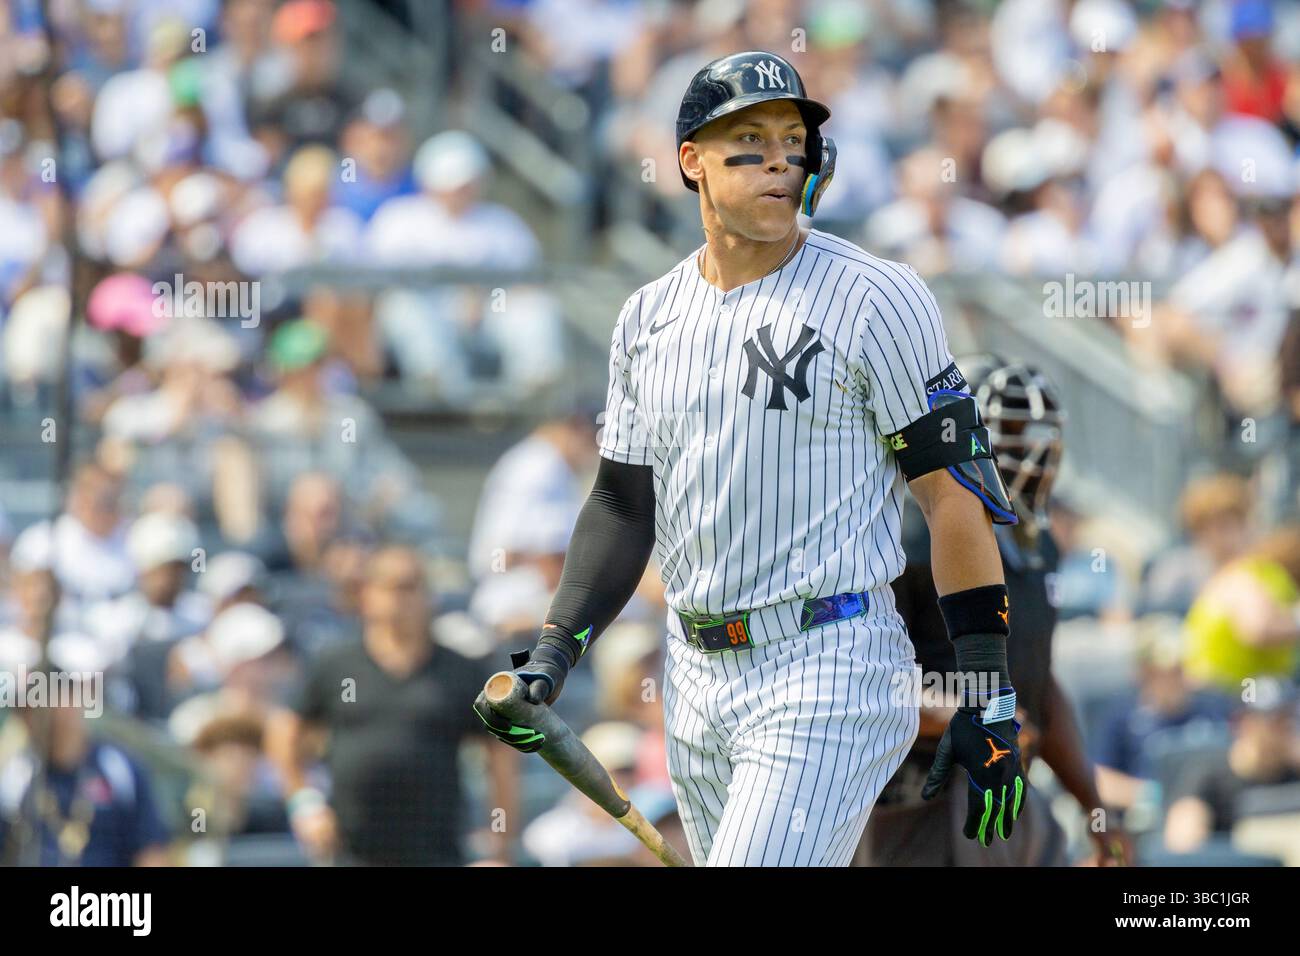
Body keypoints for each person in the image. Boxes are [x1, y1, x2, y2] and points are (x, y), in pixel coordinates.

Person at [476, 51, 1029, 866]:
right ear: (691, 161)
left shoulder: (878, 296)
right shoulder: (646, 316)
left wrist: (987, 687)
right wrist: (553, 653)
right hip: (694, 675)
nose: (779, 157)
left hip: (829, 661)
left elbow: (952, 498)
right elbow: (624, 505)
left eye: (792, 138)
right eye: (749, 138)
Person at [855, 358, 1126, 866]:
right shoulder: (902, 532)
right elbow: (858, 678)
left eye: (1037, 434)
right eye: (1014, 432)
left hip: (1004, 790)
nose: (1031, 451)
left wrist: (1095, 809)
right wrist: (966, 710)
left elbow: (1038, 683)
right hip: (911, 795)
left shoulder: (1037, 544)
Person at [267, 545, 517, 866]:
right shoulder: (337, 665)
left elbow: (500, 754)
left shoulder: (459, 671)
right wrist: (304, 804)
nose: (401, 598)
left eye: (412, 586)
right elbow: (284, 732)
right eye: (390, 586)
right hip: (351, 851)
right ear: (367, 594)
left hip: (438, 852)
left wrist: (501, 843)